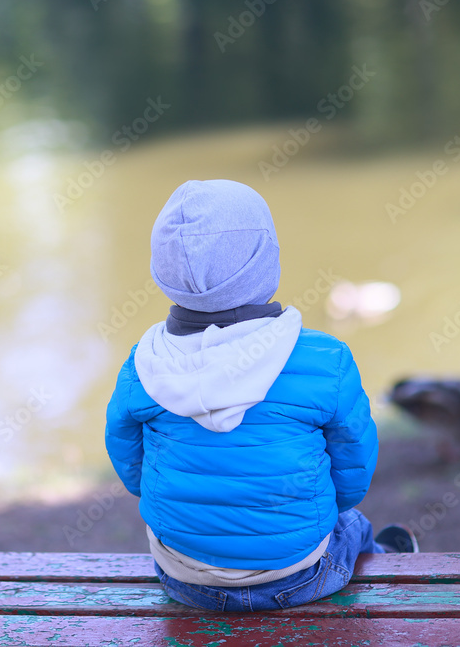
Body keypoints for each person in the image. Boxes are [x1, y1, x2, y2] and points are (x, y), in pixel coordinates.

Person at [104, 179, 416, 612]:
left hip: (185, 576)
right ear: (265, 262)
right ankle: (389, 565)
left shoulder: (145, 364)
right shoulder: (324, 358)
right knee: (354, 525)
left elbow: (130, 465)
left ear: (163, 272)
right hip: (299, 573)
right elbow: (353, 470)